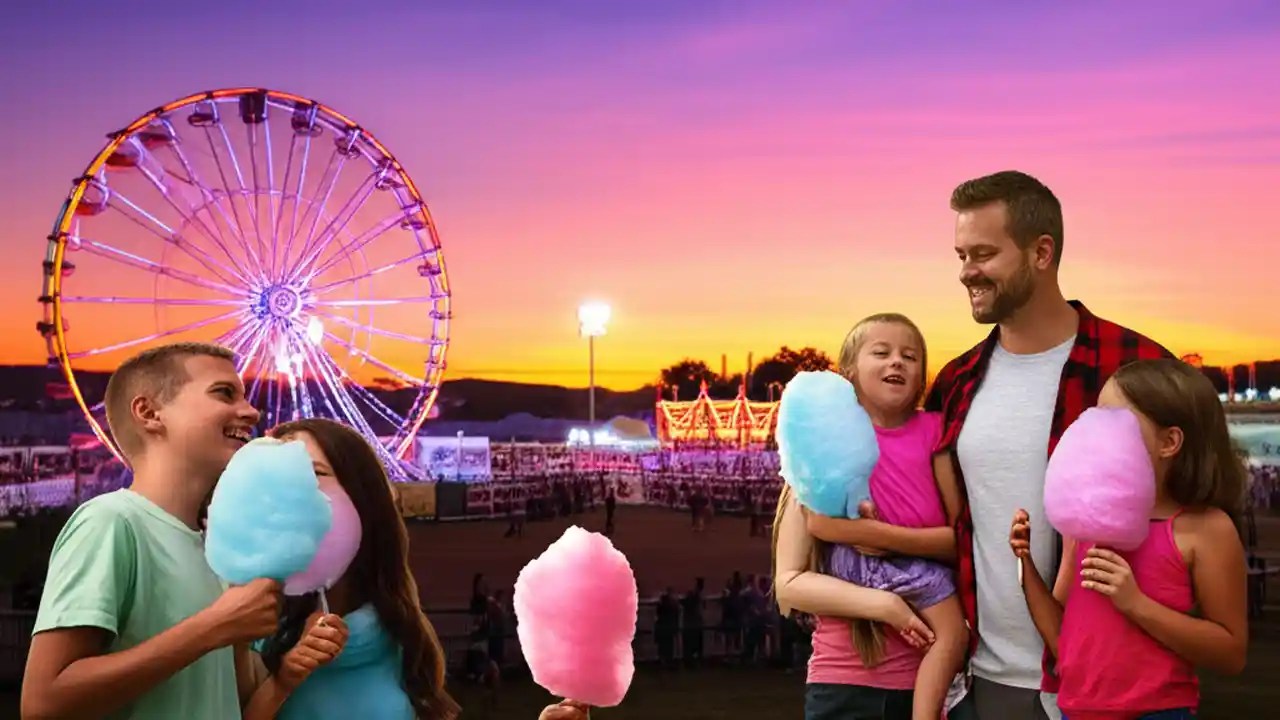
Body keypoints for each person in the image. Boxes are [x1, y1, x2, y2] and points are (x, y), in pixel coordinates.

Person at [926, 171, 1173, 719]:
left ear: (1042, 252)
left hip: (1110, 684)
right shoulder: (955, 382)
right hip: (981, 680)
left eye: (984, 254)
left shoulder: (1140, 367)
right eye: (961, 255)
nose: (966, 271)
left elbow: (1199, 519)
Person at [21, 342, 285, 718]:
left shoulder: (214, 551)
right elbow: (43, 704)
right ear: (149, 413)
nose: (251, 411)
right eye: (224, 393)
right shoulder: (111, 522)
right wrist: (215, 626)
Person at [1010, 359, 1248, 719]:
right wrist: (1024, 563)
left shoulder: (1206, 529)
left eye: (1114, 419)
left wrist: (1134, 603)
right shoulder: (1088, 523)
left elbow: (1231, 654)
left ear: (1169, 442)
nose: (1095, 432)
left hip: (1156, 712)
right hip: (1074, 710)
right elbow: (1060, 637)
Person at [804, 314, 969, 720]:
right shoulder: (831, 437)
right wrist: (875, 538)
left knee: (951, 635)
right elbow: (818, 523)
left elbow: (961, 535)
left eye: (910, 357)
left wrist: (879, 535)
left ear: (922, 377)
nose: (897, 361)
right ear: (848, 371)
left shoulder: (935, 430)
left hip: (910, 571)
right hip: (848, 646)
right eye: (881, 353)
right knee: (953, 633)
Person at [247, 418, 459, 719]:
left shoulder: (399, 630)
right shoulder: (251, 625)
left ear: (361, 497)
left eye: (315, 473)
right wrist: (283, 681)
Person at [773, 448, 940, 720]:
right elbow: (788, 584)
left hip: (931, 687)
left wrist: (886, 539)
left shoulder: (927, 451)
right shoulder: (819, 464)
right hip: (845, 687)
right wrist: (887, 606)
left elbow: (963, 544)